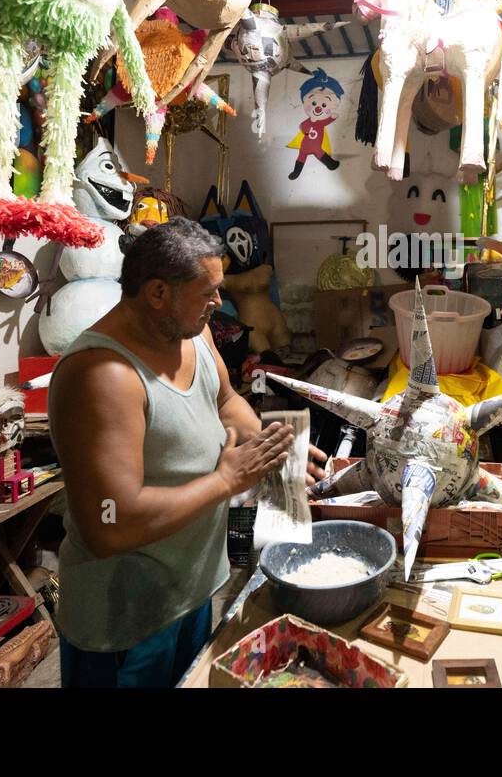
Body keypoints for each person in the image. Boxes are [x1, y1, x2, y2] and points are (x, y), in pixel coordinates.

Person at [48, 218, 326, 687]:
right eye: (208, 291)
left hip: (191, 588)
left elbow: (225, 400)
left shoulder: (191, 333)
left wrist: (272, 452)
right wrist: (225, 481)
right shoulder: (103, 374)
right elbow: (107, 525)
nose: (219, 302)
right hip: (126, 619)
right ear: (158, 293)